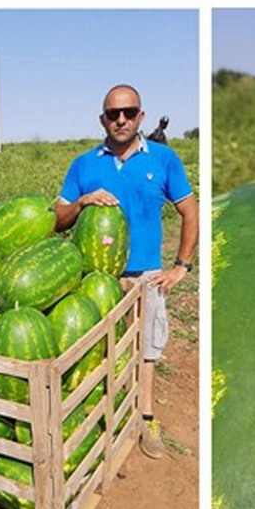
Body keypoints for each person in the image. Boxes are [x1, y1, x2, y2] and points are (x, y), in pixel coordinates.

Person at [54, 84, 199, 459]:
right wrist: (83, 199)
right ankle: (101, 417)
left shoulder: (164, 159)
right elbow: (58, 218)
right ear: (102, 119)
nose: (121, 119)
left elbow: (190, 210)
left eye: (129, 112)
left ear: (141, 117)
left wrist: (181, 266)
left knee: (145, 351)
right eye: (113, 114)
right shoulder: (84, 164)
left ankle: (145, 418)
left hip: (146, 276)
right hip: (93, 278)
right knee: (96, 351)